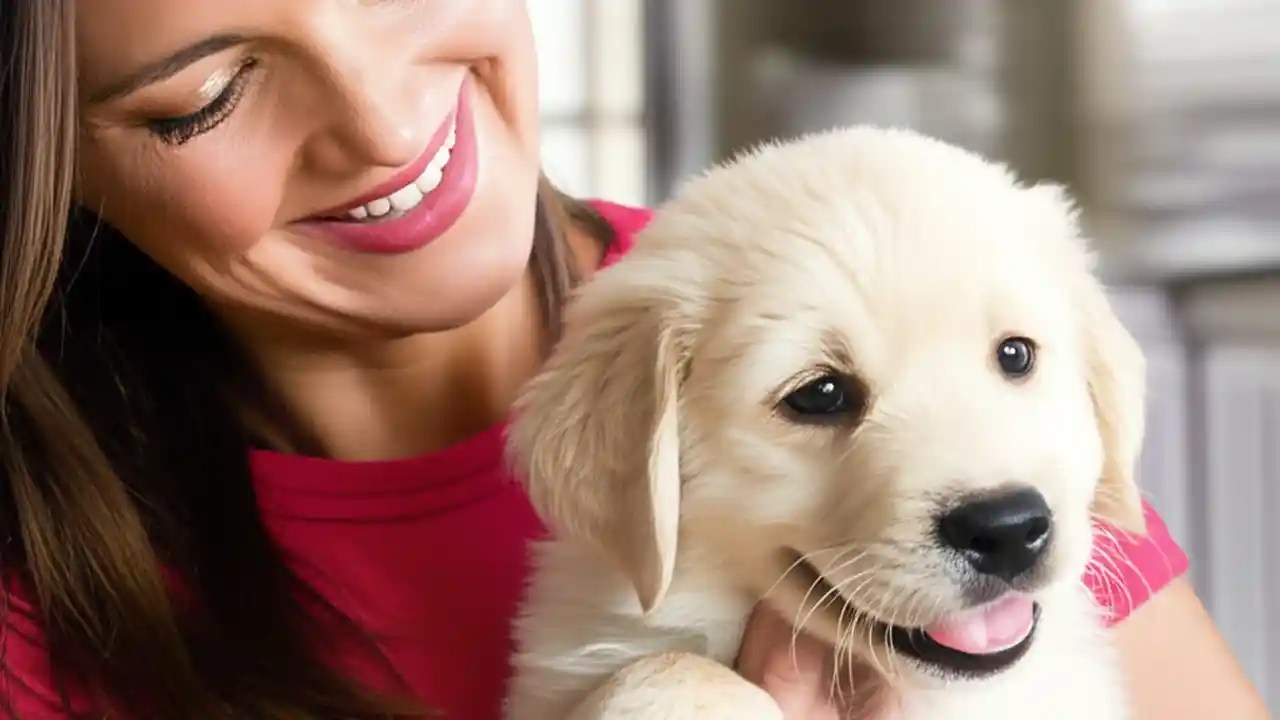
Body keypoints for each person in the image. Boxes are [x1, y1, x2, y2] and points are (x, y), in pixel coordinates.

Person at [0, 2, 1267, 719]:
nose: (382, 125)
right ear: (50, 161)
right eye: (206, 98)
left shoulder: (919, 262)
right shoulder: (39, 592)